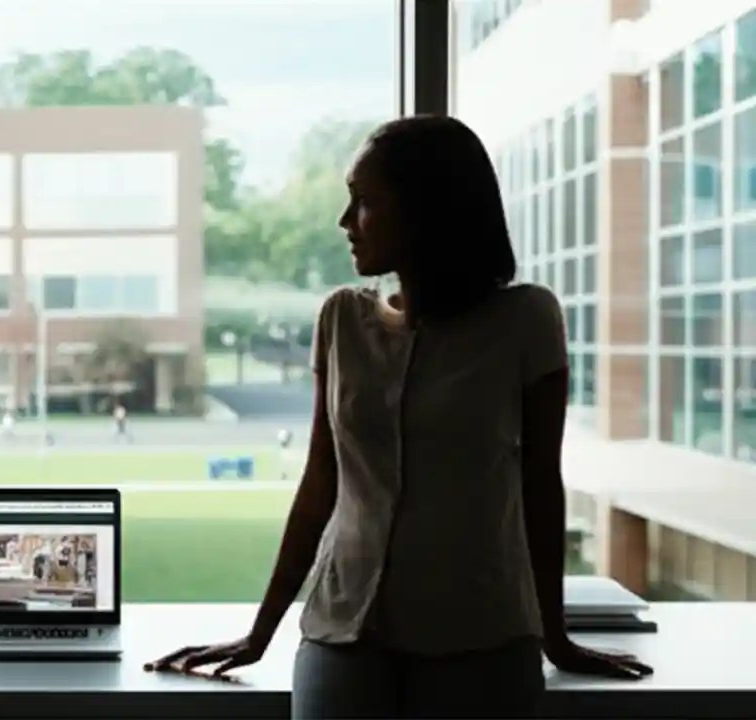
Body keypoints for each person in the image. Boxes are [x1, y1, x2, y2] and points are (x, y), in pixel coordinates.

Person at [147, 116, 652, 718]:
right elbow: (320, 483)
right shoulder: (341, 321)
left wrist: (555, 637)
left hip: (482, 630)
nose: (345, 221)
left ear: (425, 210)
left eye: (363, 202)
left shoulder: (526, 321)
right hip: (345, 629)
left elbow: (541, 487)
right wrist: (259, 635)